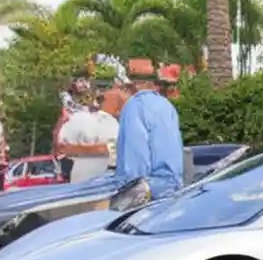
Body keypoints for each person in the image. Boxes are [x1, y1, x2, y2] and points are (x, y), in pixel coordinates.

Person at [115, 68, 184, 199]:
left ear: (133, 85)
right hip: (171, 187)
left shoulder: (132, 106)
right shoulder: (167, 106)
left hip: (144, 190)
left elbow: (134, 154)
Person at [57, 93, 121, 182]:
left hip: (97, 180)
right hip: (87, 180)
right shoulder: (108, 123)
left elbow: (109, 149)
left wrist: (74, 149)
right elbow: (60, 148)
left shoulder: (113, 124)